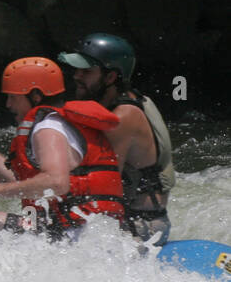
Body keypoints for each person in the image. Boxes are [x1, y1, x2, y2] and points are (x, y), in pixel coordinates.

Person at [0, 57, 125, 237]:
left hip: (78, 235)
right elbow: (19, 184)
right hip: (72, 230)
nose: (8, 104)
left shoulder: (49, 128)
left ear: (35, 95)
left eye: (13, 97)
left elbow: (56, 183)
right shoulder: (53, 123)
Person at [58, 33, 175, 245]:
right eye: (76, 70)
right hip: (130, 220)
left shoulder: (123, 118)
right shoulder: (130, 101)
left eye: (86, 71)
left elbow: (98, 185)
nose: (76, 76)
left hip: (141, 227)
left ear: (111, 77)